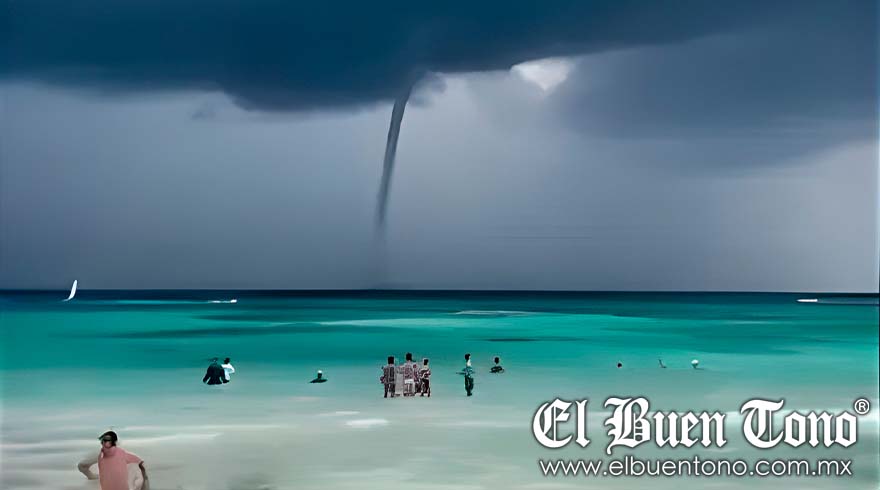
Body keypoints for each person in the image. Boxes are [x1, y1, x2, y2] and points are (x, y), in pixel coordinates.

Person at [77, 430, 148, 490]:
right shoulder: (102, 454)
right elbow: (81, 465)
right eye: (103, 440)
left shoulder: (121, 453)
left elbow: (81, 466)